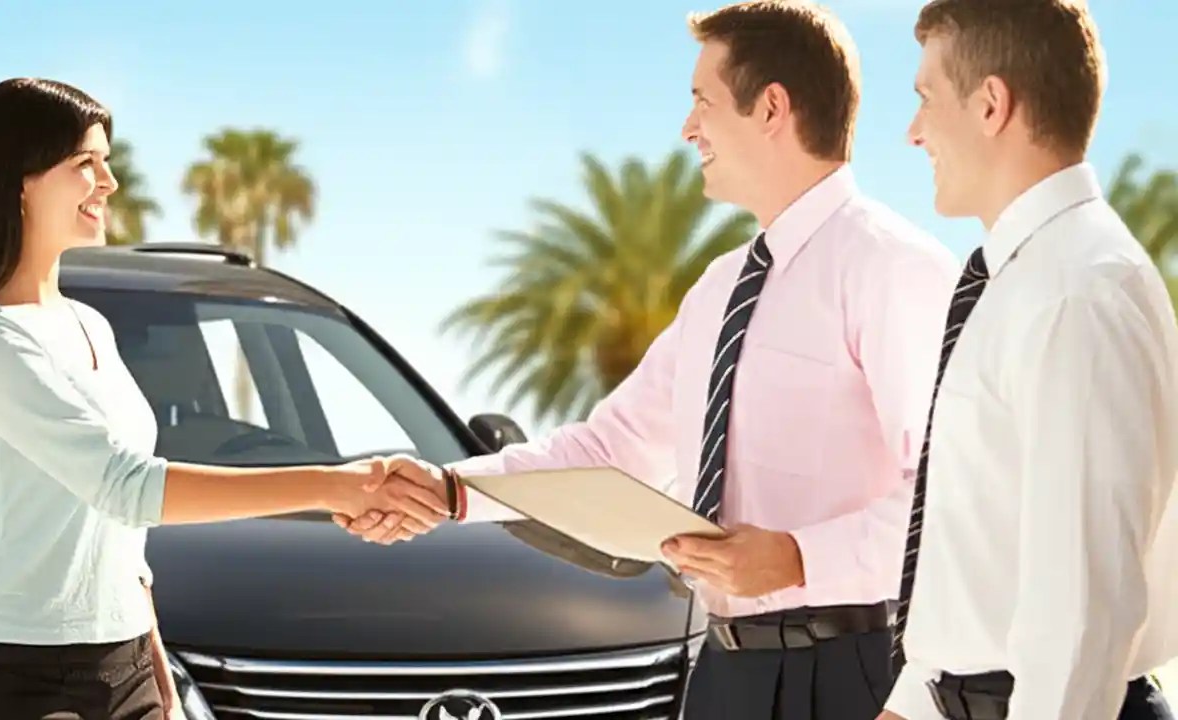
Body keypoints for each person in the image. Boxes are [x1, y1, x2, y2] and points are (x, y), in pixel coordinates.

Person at [339, 2, 961, 717]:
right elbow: (610, 450)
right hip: (721, 674)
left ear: (771, 109)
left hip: (854, 675)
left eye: (703, 101)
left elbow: (948, 498)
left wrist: (798, 558)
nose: (688, 128)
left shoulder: (892, 269)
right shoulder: (719, 290)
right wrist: (449, 491)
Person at [0, 77, 452, 720]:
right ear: (18, 181)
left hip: (124, 662)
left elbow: (121, 533)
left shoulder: (90, 326)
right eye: (85, 164)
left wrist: (155, 665)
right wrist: (334, 485)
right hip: (14, 672)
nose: (108, 183)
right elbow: (123, 485)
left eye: (107, 162)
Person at [880, 2, 1178, 719]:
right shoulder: (1017, 280)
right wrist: (910, 703)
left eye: (925, 98)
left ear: (990, 105)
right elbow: (976, 554)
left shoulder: (1080, 291)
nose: (913, 131)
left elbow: (1080, 621)